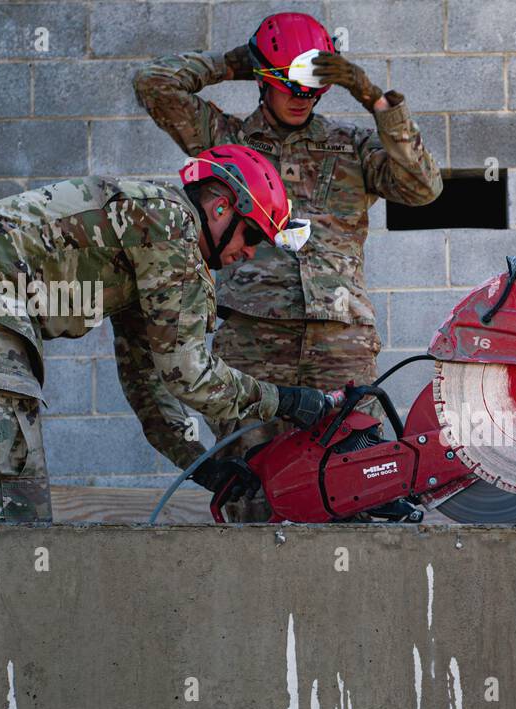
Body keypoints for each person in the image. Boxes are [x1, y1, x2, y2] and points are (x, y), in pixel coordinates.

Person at [0, 144, 331, 531]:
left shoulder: (146, 233)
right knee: (5, 517)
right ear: (220, 206)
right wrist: (287, 401)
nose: (250, 252)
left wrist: (203, 465)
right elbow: (192, 376)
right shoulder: (173, 228)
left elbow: (151, 384)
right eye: (252, 233)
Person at [134, 10, 442, 518]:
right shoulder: (226, 141)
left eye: (311, 89)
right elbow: (155, 83)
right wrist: (241, 62)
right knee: (251, 487)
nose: (301, 98)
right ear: (264, 81)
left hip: (339, 341)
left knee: (356, 485)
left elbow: (424, 187)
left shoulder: (352, 146)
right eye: (288, 85)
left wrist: (374, 98)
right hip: (252, 344)